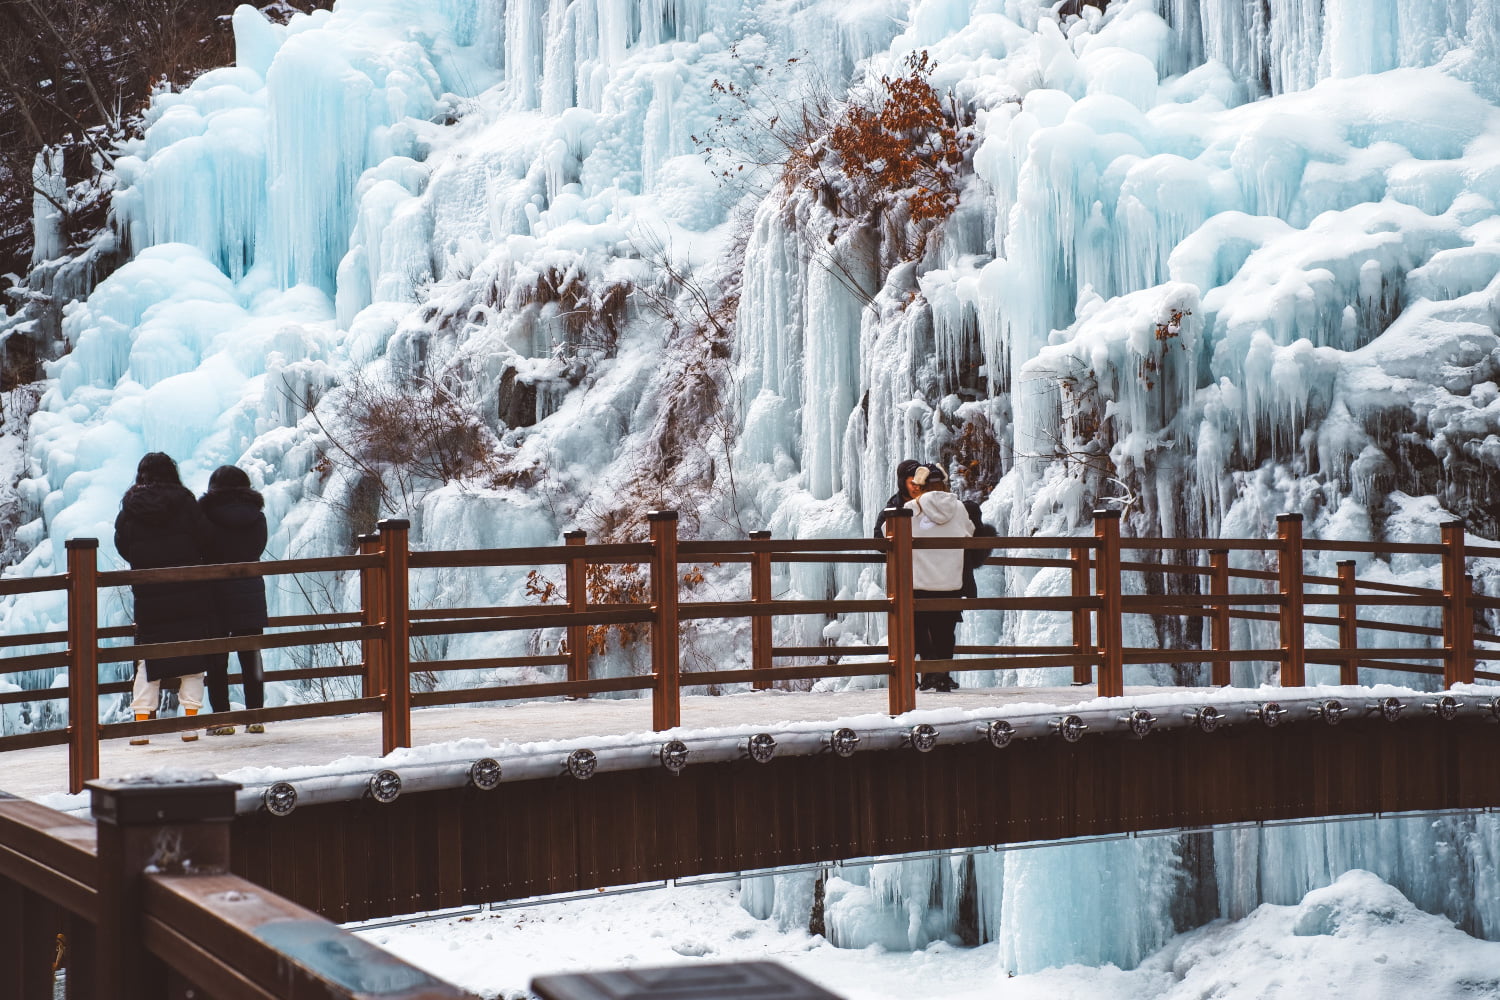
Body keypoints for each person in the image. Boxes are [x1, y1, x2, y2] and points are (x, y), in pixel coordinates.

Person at [114, 452, 217, 743]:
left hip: (149, 591)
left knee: (148, 657)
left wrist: (142, 563)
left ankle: (142, 726)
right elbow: (205, 537)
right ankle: (190, 724)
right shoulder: (185, 501)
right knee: (193, 655)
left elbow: (121, 542)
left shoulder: (131, 506)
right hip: (188, 588)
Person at [900, 464, 987, 693]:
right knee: (945, 631)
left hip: (919, 582)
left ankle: (931, 669)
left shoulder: (911, 508)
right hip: (951, 582)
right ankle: (943, 676)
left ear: (920, 486)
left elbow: (890, 532)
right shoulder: (958, 508)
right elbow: (969, 533)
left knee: (919, 627)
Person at [199, 465, 270, 736]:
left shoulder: (204, 516)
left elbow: (201, 548)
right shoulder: (257, 516)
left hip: (214, 591)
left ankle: (221, 718)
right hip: (249, 589)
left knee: (217, 658)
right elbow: (257, 547)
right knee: (250, 653)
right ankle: (255, 715)